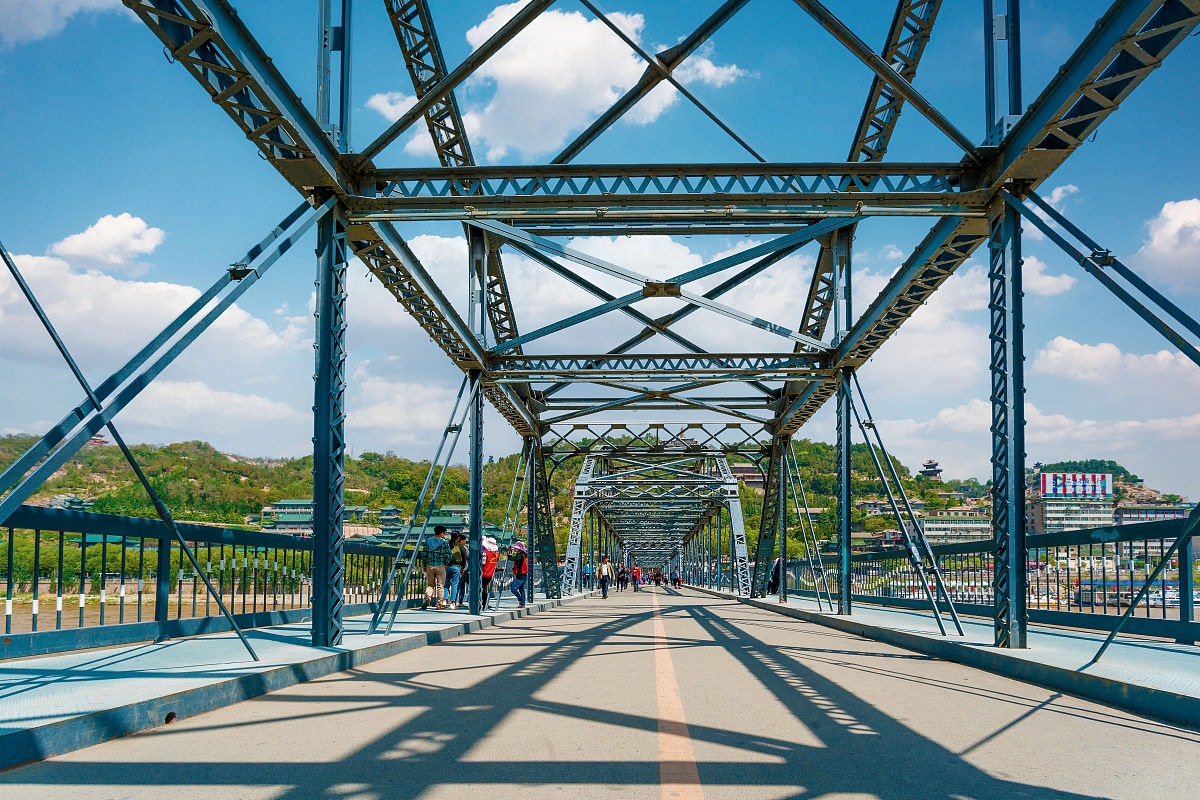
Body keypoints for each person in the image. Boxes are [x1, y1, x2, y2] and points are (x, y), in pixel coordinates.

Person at [422, 526, 451, 610]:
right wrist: (445, 563)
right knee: (440, 585)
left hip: (430, 565)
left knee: (430, 585)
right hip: (440, 565)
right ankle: (439, 604)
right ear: (442, 533)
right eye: (444, 533)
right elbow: (449, 554)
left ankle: (427, 598)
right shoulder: (444, 542)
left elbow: (424, 554)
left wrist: (424, 564)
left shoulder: (428, 541)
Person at [445, 532, 467, 609]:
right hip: (456, 567)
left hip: (447, 566)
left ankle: (444, 600)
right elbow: (464, 557)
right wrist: (463, 567)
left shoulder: (447, 544)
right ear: (458, 538)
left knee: (446, 583)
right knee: (454, 585)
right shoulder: (460, 546)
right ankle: (452, 602)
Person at [509, 540, 529, 609]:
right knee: (521, 590)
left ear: (519, 548)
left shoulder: (520, 556)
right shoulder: (523, 555)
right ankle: (522, 604)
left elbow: (512, 558)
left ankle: (520, 599)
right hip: (523, 575)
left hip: (521, 575)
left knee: (513, 588)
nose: (514, 548)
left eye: (515, 547)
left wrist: (510, 553)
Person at [481, 536, 500, 610]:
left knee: (482, 588)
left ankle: (483, 603)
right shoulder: (496, 554)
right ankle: (485, 603)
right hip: (491, 573)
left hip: (484, 573)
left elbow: (483, 563)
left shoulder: (485, 553)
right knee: (485, 588)